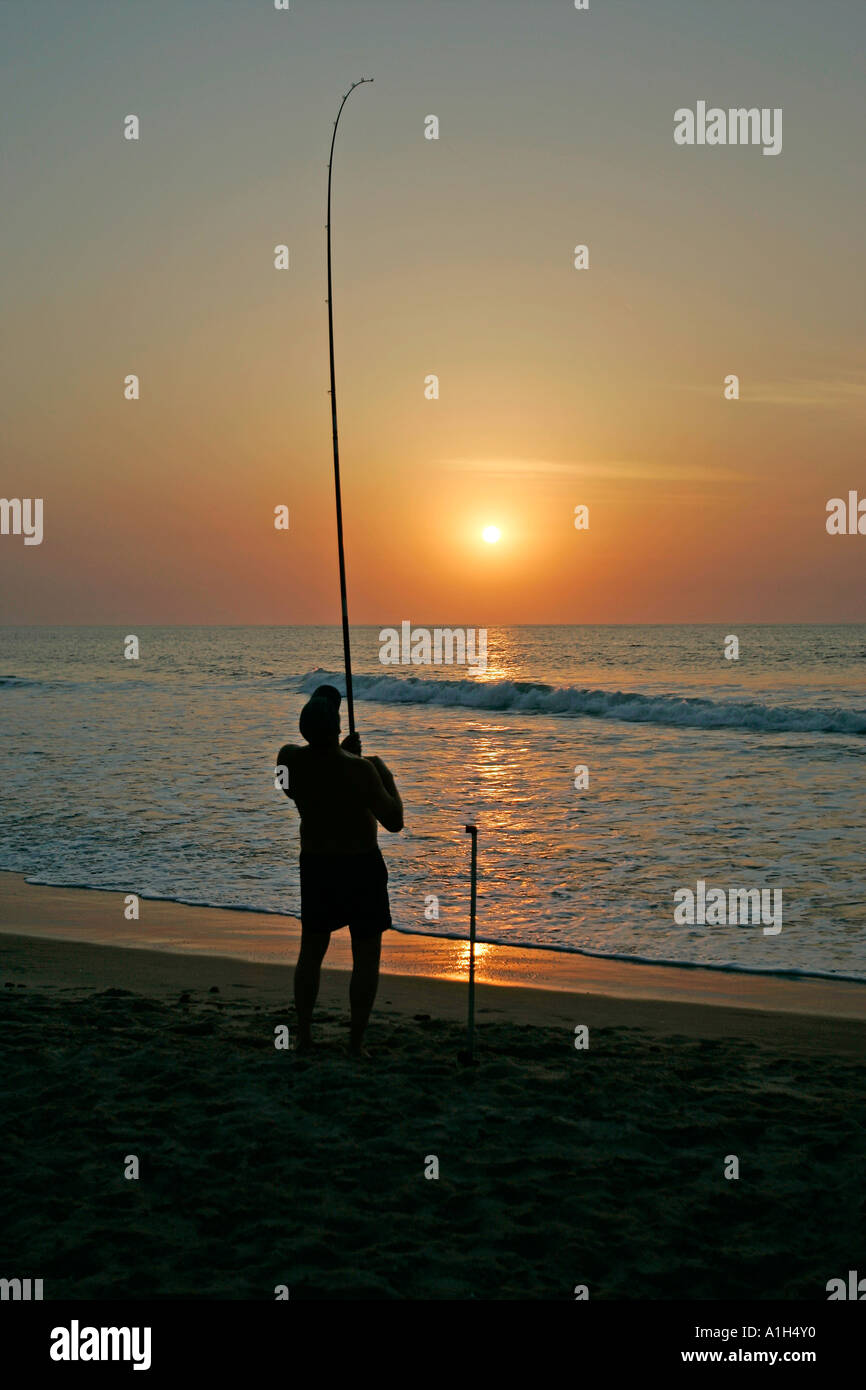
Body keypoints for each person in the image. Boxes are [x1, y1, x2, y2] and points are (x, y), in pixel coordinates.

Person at [276, 686, 404, 1058]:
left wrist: (342, 753)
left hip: (317, 865)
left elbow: (293, 784)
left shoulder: (288, 760)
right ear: (335, 728)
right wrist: (382, 772)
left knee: (310, 952)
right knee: (365, 956)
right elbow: (394, 821)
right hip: (359, 867)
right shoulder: (363, 770)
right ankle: (355, 1043)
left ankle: (304, 1037)